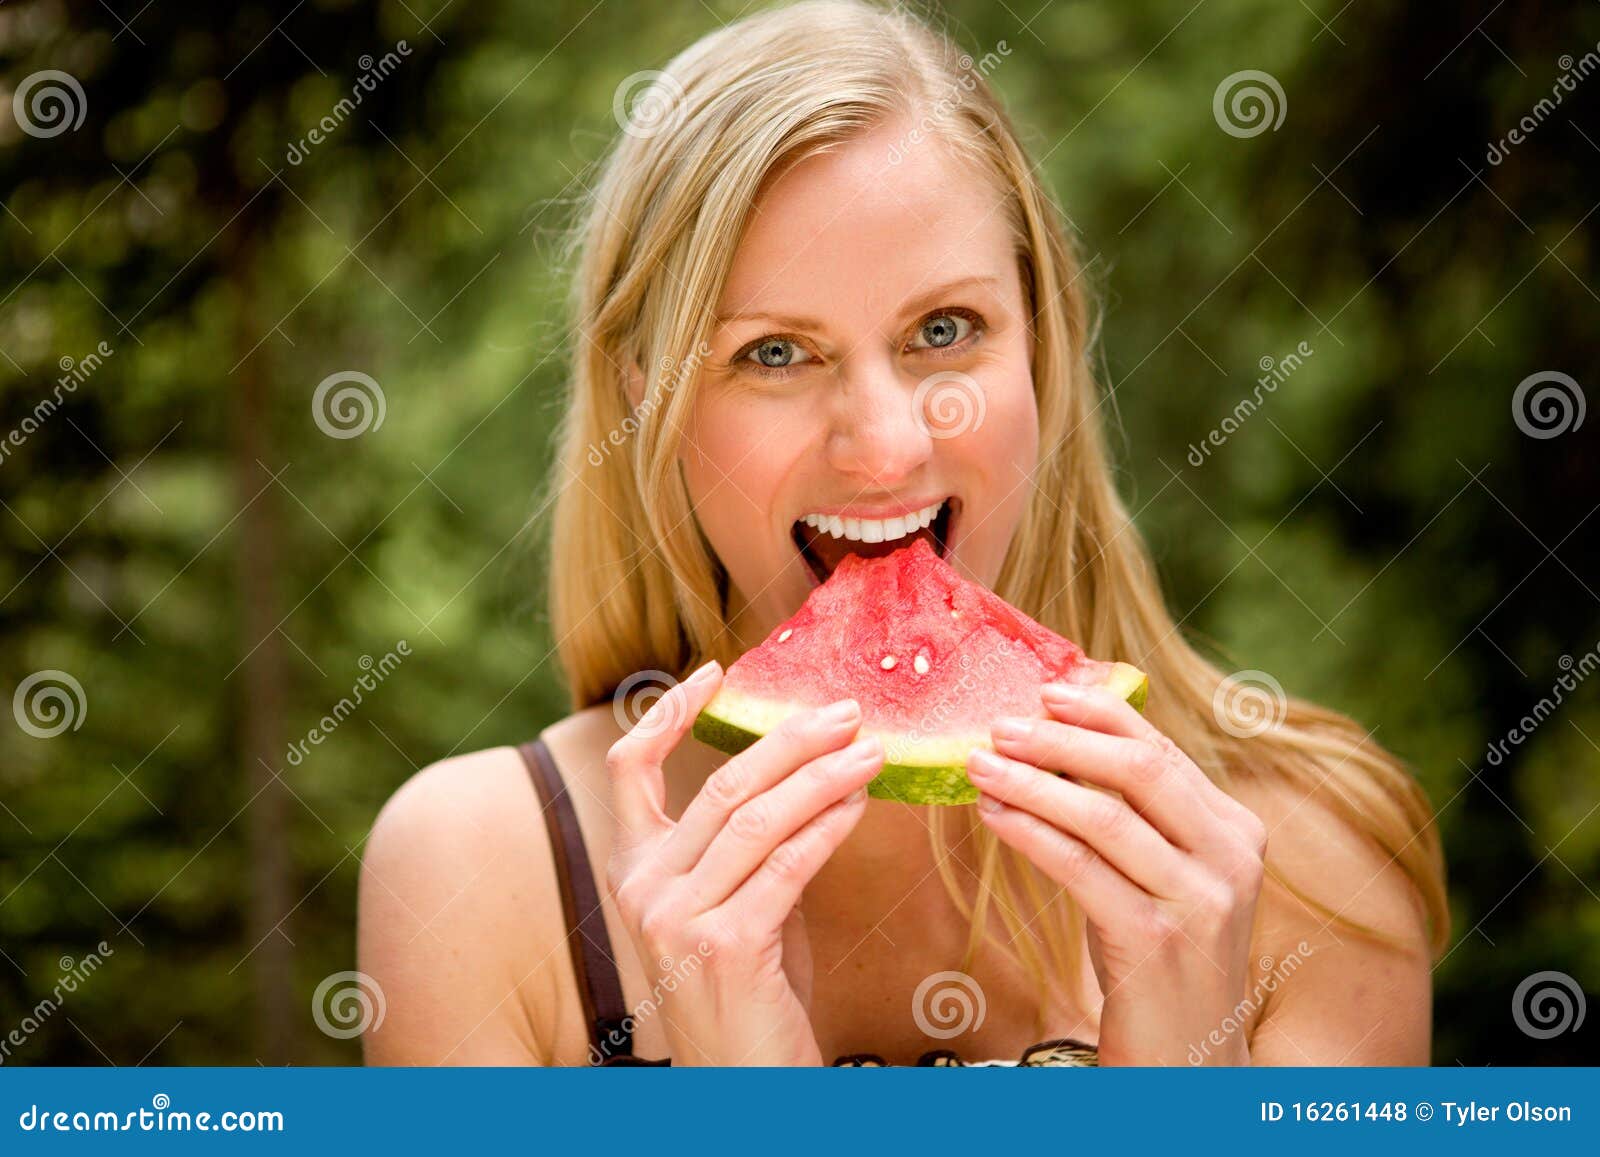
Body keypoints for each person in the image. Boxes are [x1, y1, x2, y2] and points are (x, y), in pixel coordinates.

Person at [358, 0, 1448, 1067]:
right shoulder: (481, 880)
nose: (884, 448)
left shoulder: (1310, 872)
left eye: (943, 330)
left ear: (1040, 348)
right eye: (775, 352)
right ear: (649, 401)